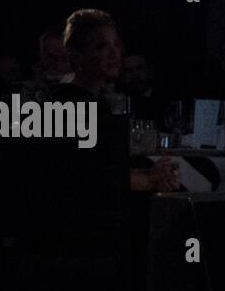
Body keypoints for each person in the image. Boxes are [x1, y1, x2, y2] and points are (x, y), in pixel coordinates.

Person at [43, 10, 178, 193]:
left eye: (116, 45)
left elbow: (103, 168)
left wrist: (147, 173)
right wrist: (145, 181)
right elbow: (78, 179)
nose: (114, 53)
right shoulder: (68, 105)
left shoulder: (98, 104)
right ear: (77, 56)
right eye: (101, 46)